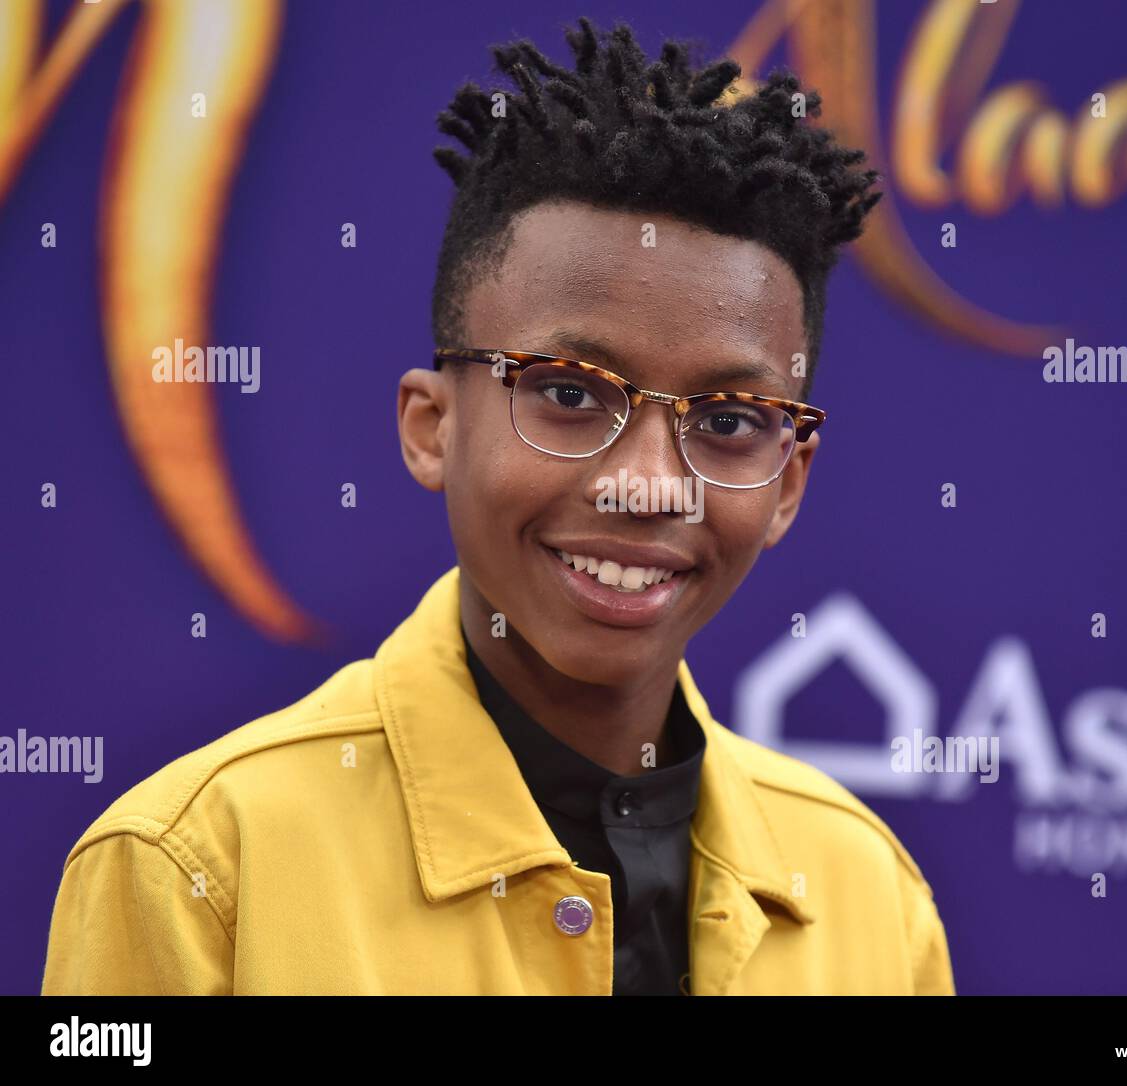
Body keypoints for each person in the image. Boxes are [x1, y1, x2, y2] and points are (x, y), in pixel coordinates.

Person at [41, 16, 955, 996]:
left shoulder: (868, 897)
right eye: (568, 393)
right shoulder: (200, 870)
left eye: (729, 418)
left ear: (787, 482)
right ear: (431, 426)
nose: (648, 482)